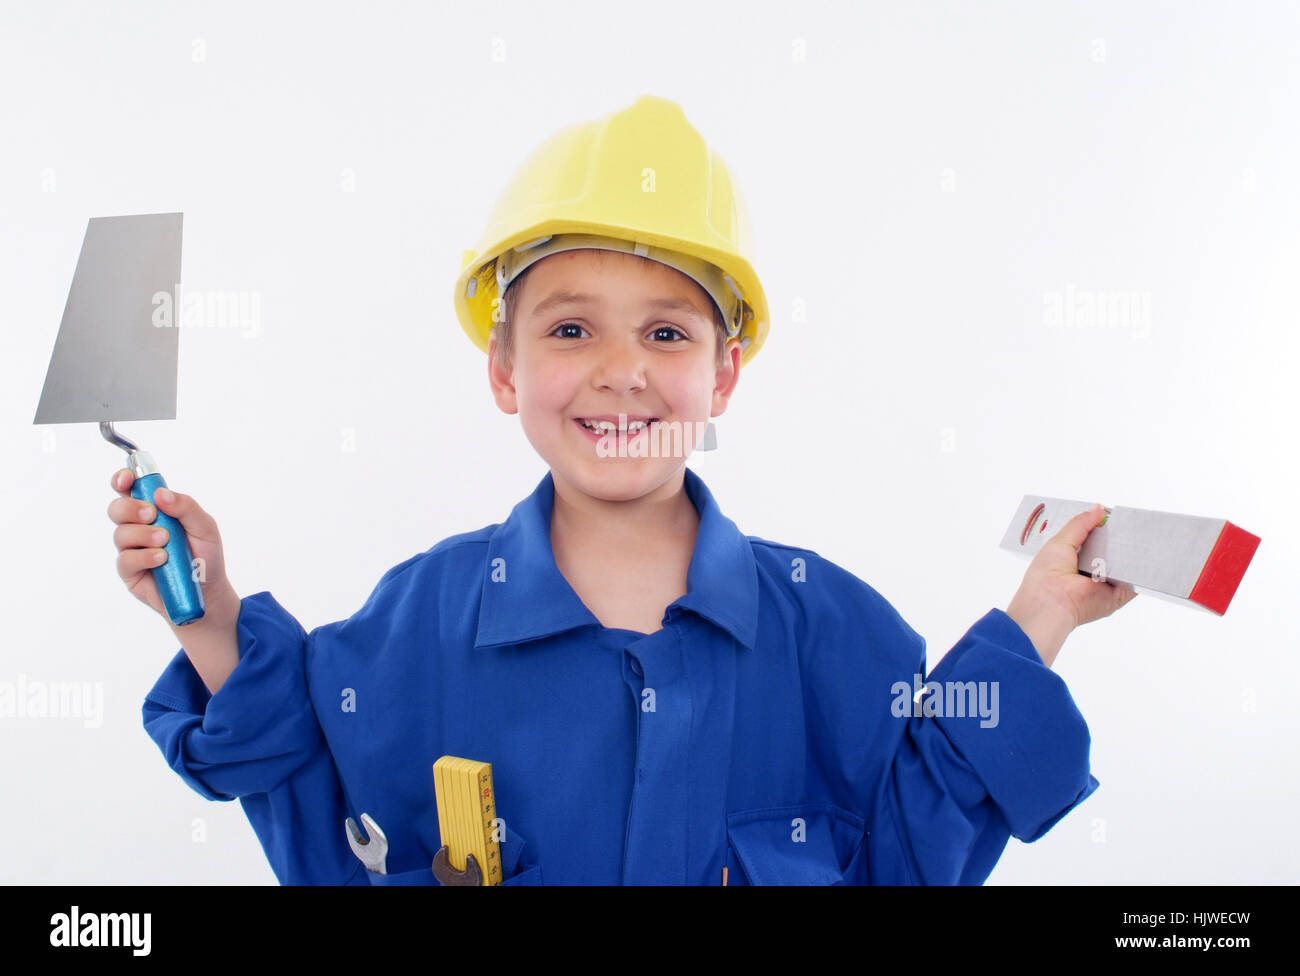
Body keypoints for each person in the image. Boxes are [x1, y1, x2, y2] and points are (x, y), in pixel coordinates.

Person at [109, 95, 1137, 885]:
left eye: (665, 331)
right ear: (503, 370)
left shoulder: (832, 631)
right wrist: (208, 611)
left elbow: (917, 849)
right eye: (568, 328)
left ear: (722, 373)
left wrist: (1041, 613)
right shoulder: (417, 622)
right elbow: (305, 791)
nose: (620, 370)